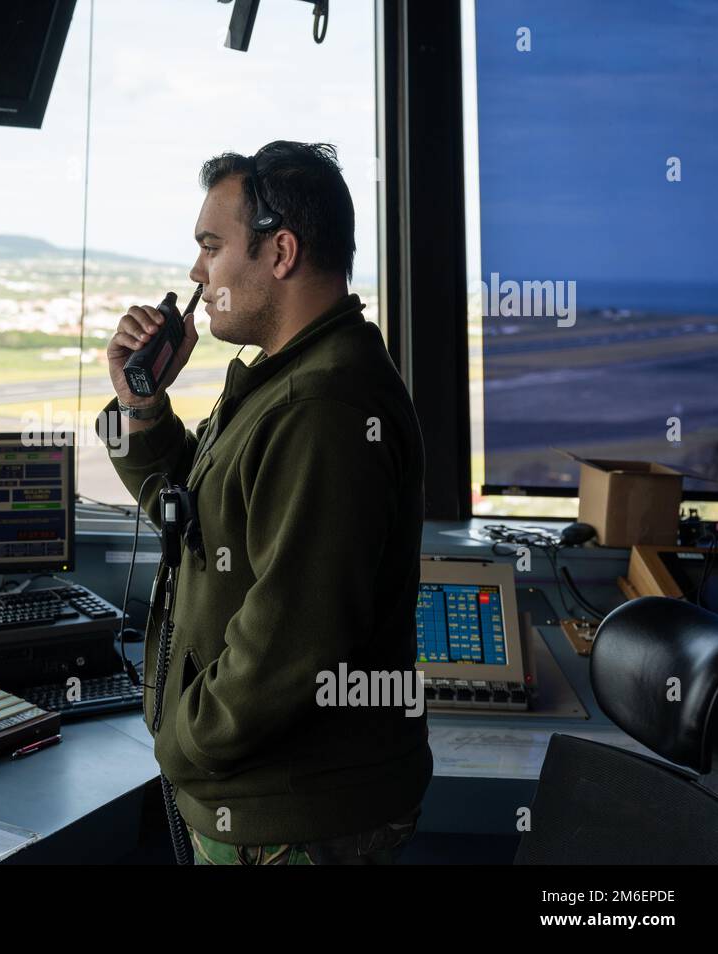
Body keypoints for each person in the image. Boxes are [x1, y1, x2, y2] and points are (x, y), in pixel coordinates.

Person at [99, 141, 431, 865]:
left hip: (289, 812)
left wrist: (180, 742)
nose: (196, 273)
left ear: (280, 252)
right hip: (261, 794)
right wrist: (144, 410)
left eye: (212, 246)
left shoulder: (324, 405)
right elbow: (194, 521)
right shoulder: (289, 379)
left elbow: (289, 647)